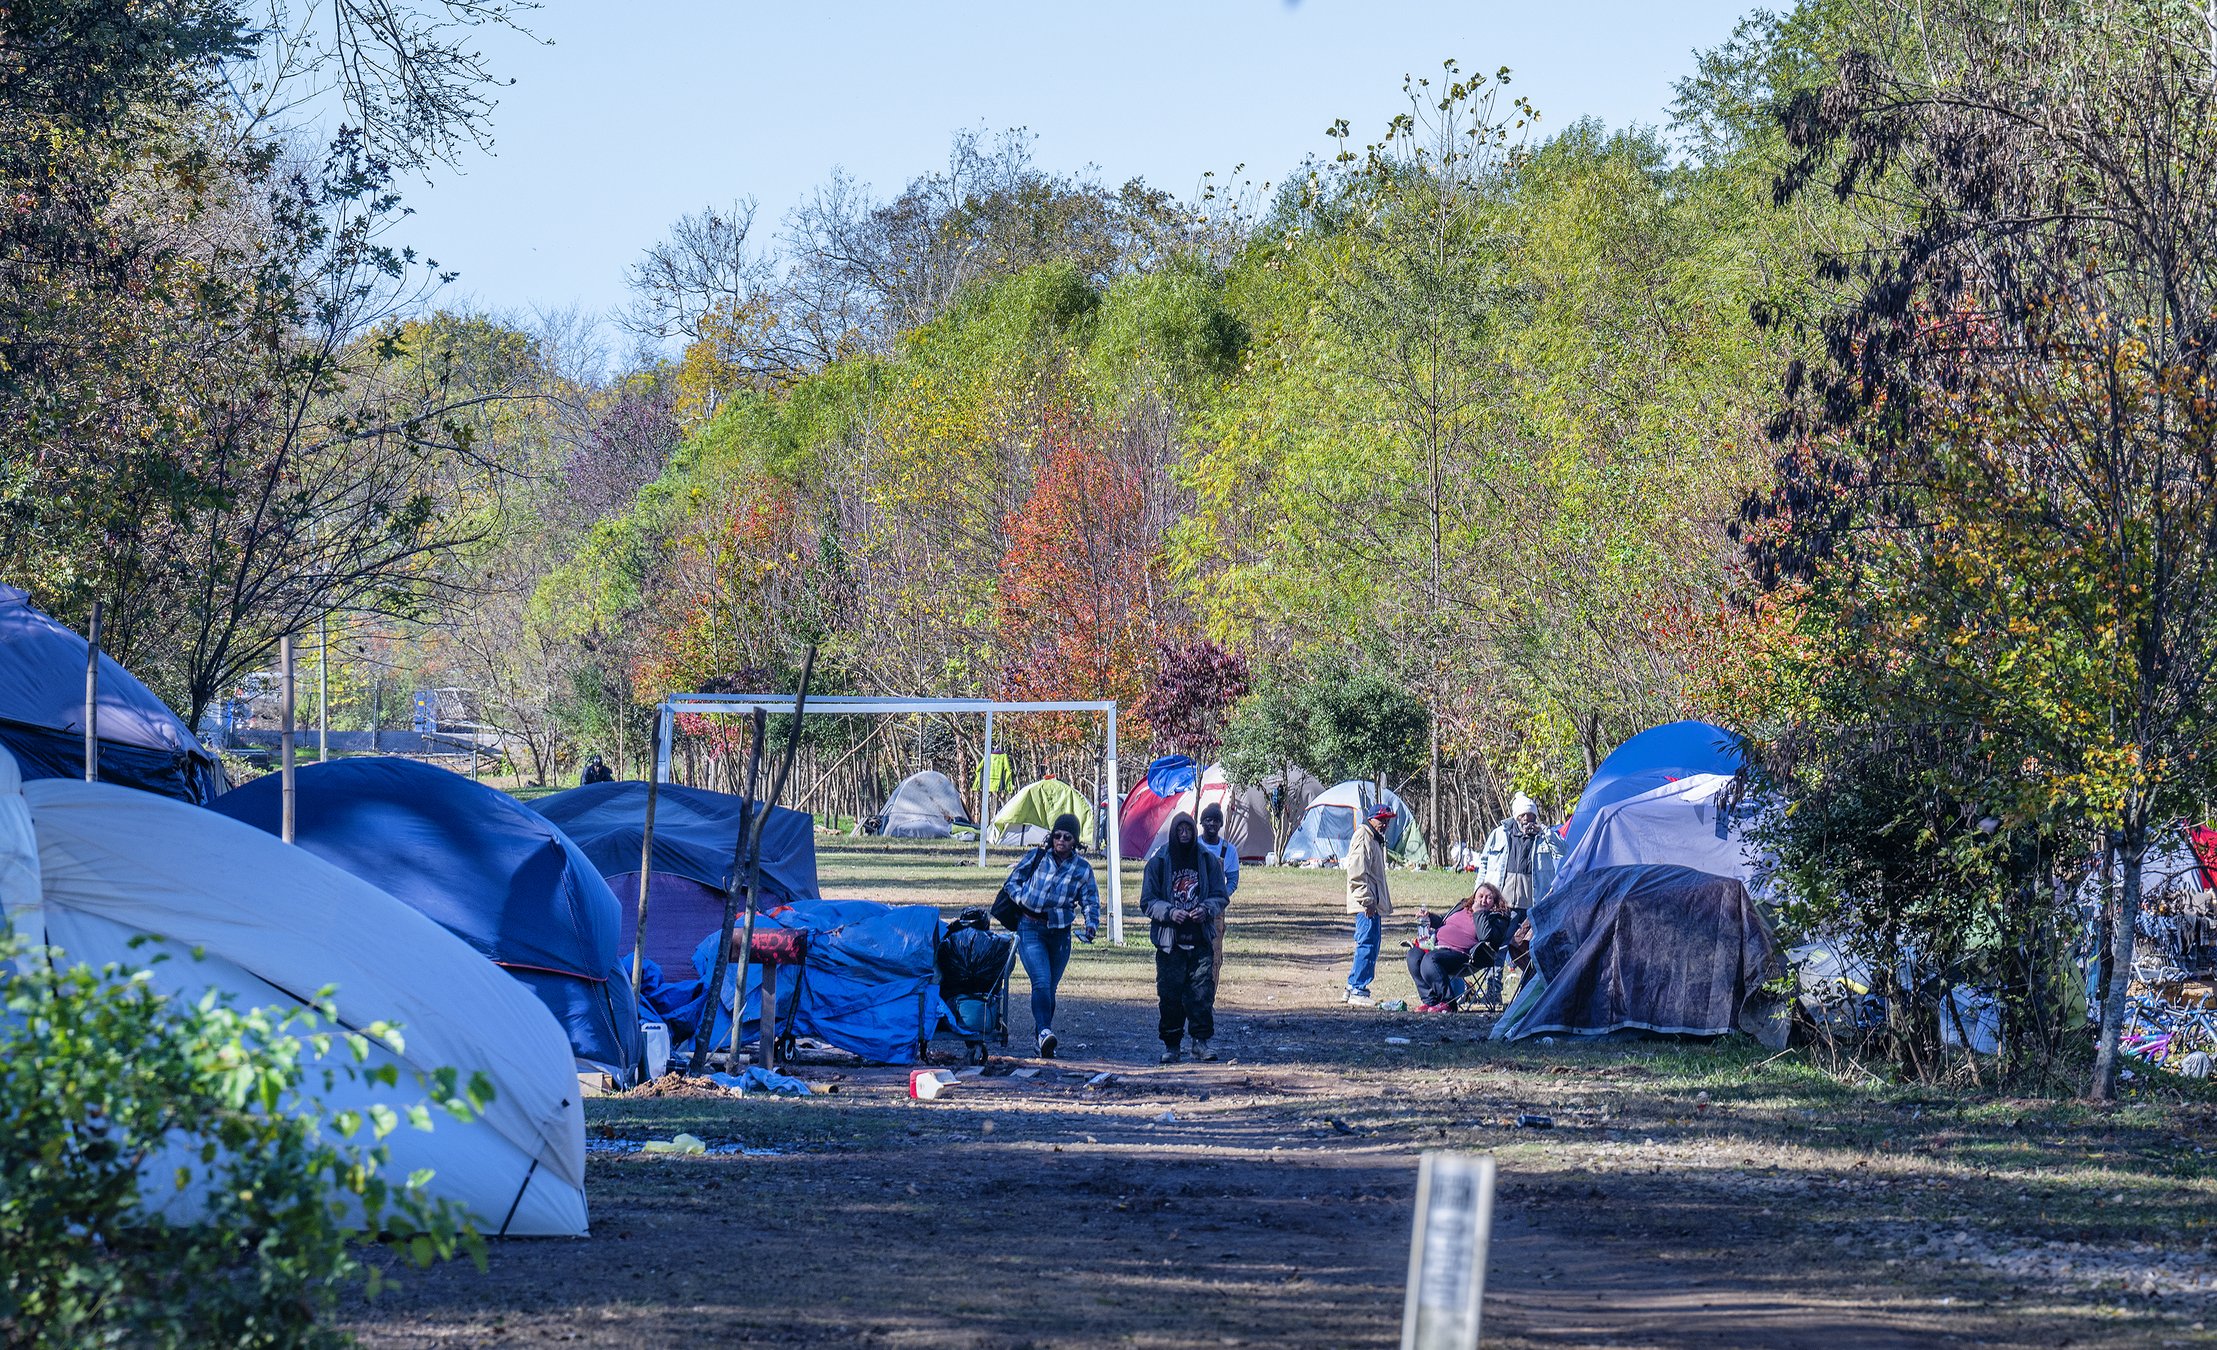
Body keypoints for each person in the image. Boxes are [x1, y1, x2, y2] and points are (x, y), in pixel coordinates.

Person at [996, 812, 1099, 1059]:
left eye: (1067, 837)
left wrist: (1091, 923)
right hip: (1030, 927)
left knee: (1050, 988)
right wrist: (1024, 899)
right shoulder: (1036, 857)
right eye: (1057, 835)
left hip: (1060, 932)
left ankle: (1040, 1039)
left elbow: (1090, 900)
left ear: (1075, 841)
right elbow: (1012, 883)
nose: (1061, 840)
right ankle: (1044, 1031)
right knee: (1040, 981)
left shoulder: (1082, 869)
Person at [1142, 812, 1230, 1063]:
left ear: (1194, 832)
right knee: (1169, 995)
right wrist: (1170, 913)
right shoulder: (1159, 861)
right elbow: (1147, 901)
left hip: (1201, 938)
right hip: (1170, 941)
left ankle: (1200, 1043)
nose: (1183, 835)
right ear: (1173, 833)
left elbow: (1220, 895)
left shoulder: (1207, 860)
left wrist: (1206, 909)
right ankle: (1171, 1046)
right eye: (1179, 831)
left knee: (1202, 993)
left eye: (1187, 831)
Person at [1406, 883, 1515, 1012]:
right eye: (1480, 896)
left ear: (1495, 901)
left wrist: (1480, 912)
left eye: (1488, 898)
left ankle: (1448, 1002)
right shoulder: (1463, 906)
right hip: (1437, 946)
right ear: (1474, 897)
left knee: (1430, 960)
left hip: (1464, 956)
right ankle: (1430, 1001)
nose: (1483, 900)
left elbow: (1486, 936)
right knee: (1413, 955)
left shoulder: (1498, 917)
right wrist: (1428, 916)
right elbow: (1443, 920)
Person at [937, 907, 1014, 1066]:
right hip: (985, 1005)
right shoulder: (998, 944)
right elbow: (1006, 969)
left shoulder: (948, 943)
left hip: (951, 1007)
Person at [1343, 804, 1395, 1006]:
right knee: (1367, 945)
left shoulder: (1374, 839)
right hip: (1367, 905)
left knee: (1369, 944)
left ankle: (1351, 986)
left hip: (1372, 903)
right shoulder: (1363, 836)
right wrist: (1367, 900)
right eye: (1381, 819)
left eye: (1387, 820)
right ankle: (1358, 989)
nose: (1385, 824)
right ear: (1371, 819)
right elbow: (1356, 872)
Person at [1477, 792, 1562, 912]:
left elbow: (1561, 851)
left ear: (1535, 817)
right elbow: (1484, 863)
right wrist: (1478, 891)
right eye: (1523, 815)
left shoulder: (1543, 837)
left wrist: (1544, 830)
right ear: (1516, 817)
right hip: (1502, 900)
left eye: (1530, 815)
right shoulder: (1499, 834)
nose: (1527, 819)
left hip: (1533, 902)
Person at [1197, 802, 1240, 970]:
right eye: (1208, 820)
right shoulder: (1193, 845)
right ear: (1201, 823)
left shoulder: (1228, 850)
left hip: (1216, 910)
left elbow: (1233, 881)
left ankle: (1210, 992)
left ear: (1221, 824)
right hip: (1192, 905)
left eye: (1216, 820)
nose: (1212, 824)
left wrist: (1222, 897)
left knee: (1214, 956)